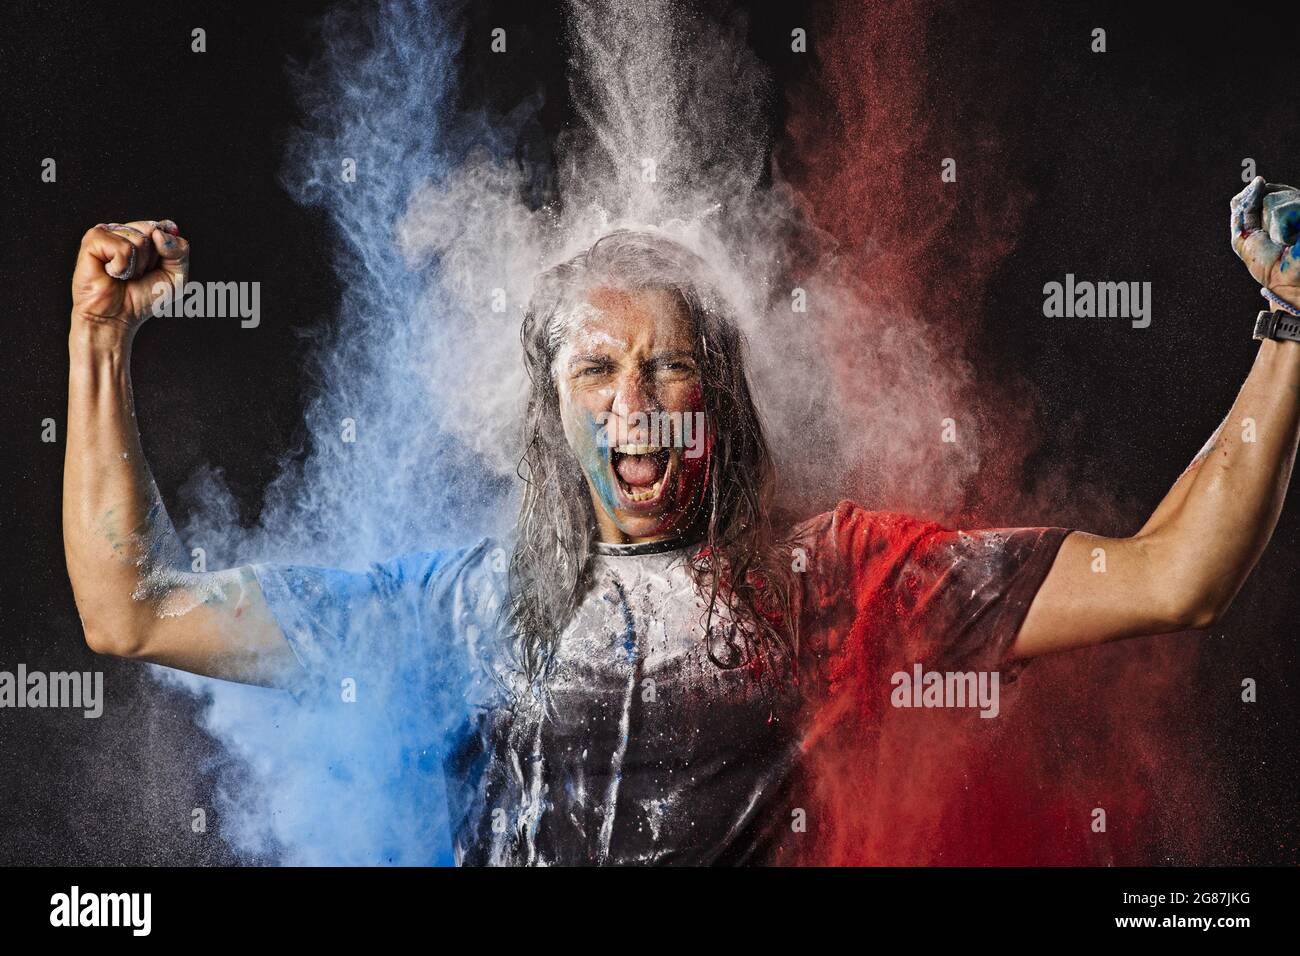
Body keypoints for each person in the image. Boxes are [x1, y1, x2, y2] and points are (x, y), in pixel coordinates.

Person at [63, 177, 1300, 864]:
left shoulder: (832, 578)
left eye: (668, 370)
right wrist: (100, 343)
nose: (636, 408)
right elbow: (132, 607)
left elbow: (1176, 574)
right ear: (548, 412)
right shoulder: (461, 604)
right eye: (596, 373)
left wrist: (1289, 328)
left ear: (721, 394)